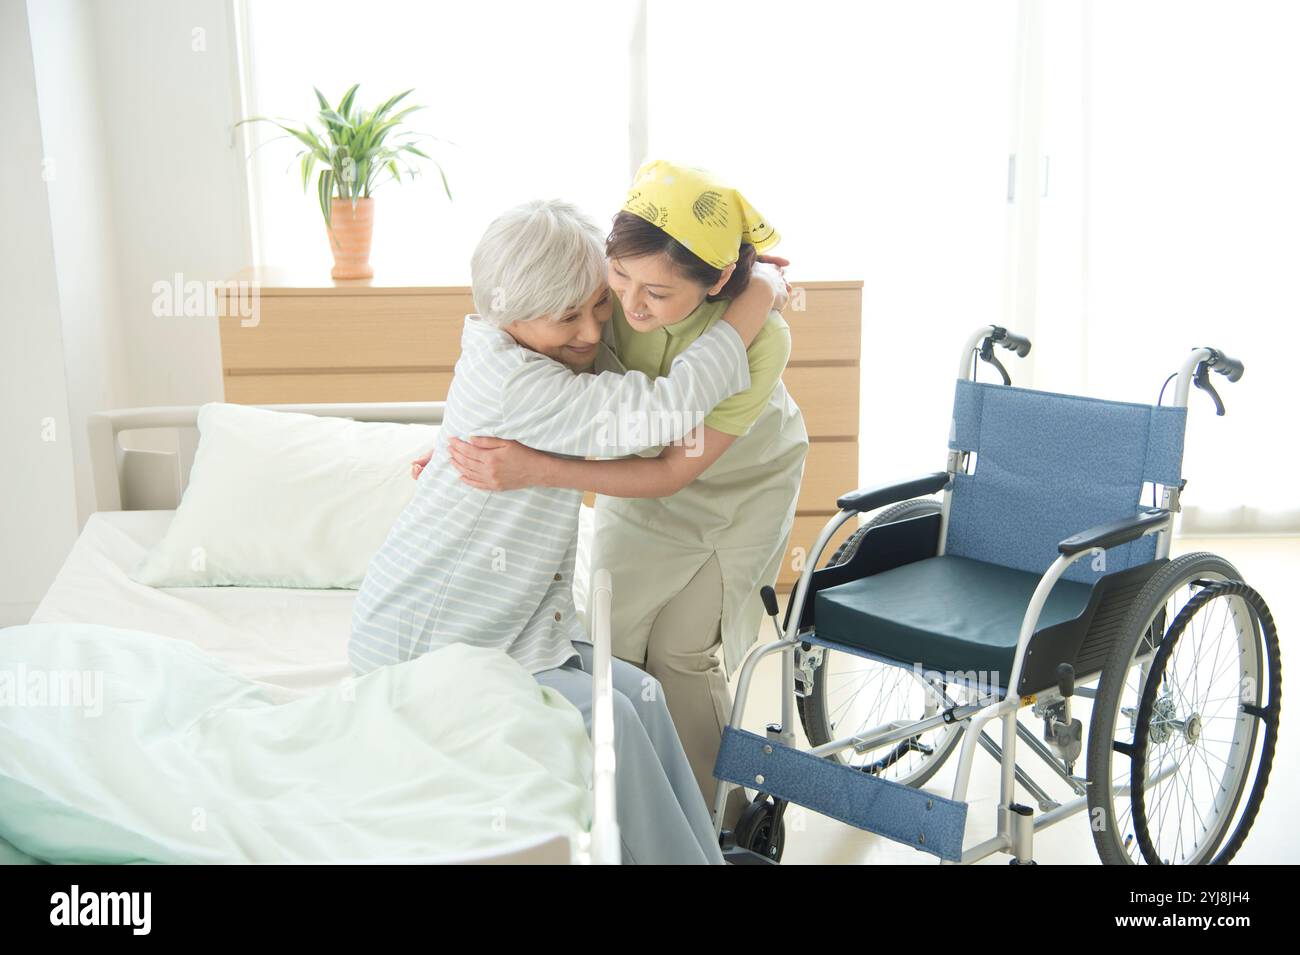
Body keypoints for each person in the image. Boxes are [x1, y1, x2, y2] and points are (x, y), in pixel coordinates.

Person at [349, 198, 786, 864]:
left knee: (642, 691)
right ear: (510, 313)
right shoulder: (524, 389)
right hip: (433, 645)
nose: (591, 333)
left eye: (597, 304)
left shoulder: (508, 345)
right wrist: (754, 300)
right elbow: (664, 412)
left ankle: (699, 849)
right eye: (568, 318)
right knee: (616, 721)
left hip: (516, 622)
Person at [446, 162, 809, 832]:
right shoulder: (601, 302)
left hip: (733, 490)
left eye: (659, 293)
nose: (631, 307)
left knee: (679, 653)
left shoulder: (763, 339)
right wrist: (462, 438)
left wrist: (534, 468)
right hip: (636, 474)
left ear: (717, 282)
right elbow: (530, 367)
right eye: (622, 279)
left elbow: (675, 468)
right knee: (617, 645)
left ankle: (714, 820)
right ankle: (631, 811)